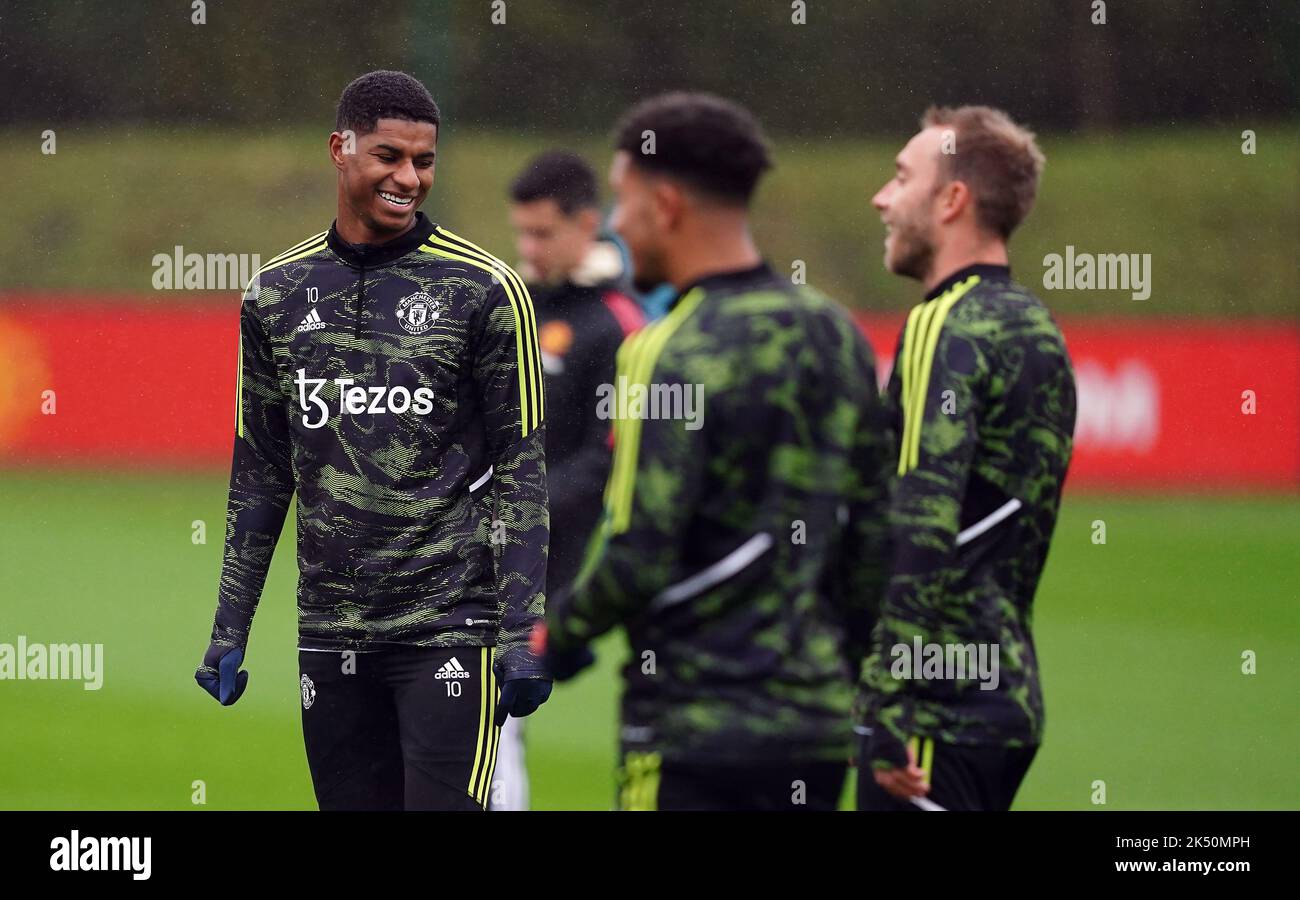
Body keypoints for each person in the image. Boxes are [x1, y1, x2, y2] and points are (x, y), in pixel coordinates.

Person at [193, 70, 551, 811]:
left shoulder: (486, 290)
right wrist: (230, 627)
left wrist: (522, 632)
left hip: (450, 627)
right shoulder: (275, 294)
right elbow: (261, 471)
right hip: (329, 632)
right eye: (390, 156)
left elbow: (522, 470)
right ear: (340, 148)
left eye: (424, 161)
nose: (410, 178)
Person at [543, 92, 891, 811]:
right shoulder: (838, 334)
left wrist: (556, 636)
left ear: (665, 204)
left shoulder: (665, 350)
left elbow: (641, 551)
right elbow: (872, 547)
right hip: (815, 734)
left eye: (622, 199)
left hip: (691, 733)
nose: (617, 224)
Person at [856, 105, 1076, 811]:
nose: (881, 200)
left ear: (952, 200)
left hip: (930, 708)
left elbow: (924, 525)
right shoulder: (1037, 327)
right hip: (1003, 700)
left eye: (900, 178)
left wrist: (886, 698)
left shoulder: (940, 327)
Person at [490, 150, 643, 810]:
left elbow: (609, 460)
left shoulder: (618, 325)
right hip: (470, 556)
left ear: (589, 224)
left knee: (494, 729)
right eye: (521, 232)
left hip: (546, 566)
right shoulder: (512, 305)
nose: (529, 248)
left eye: (543, 233)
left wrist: (513, 513)